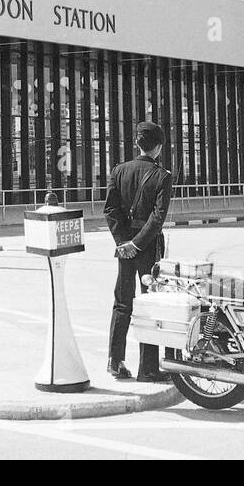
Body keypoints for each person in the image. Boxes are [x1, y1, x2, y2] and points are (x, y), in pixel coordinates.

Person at [103, 121, 173, 382]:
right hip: (147, 246)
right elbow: (157, 218)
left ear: (137, 144)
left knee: (122, 302)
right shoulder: (162, 175)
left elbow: (110, 210)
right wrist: (137, 244)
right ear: (158, 147)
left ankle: (115, 361)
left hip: (124, 248)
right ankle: (148, 368)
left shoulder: (119, 171)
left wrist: (123, 242)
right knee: (150, 304)